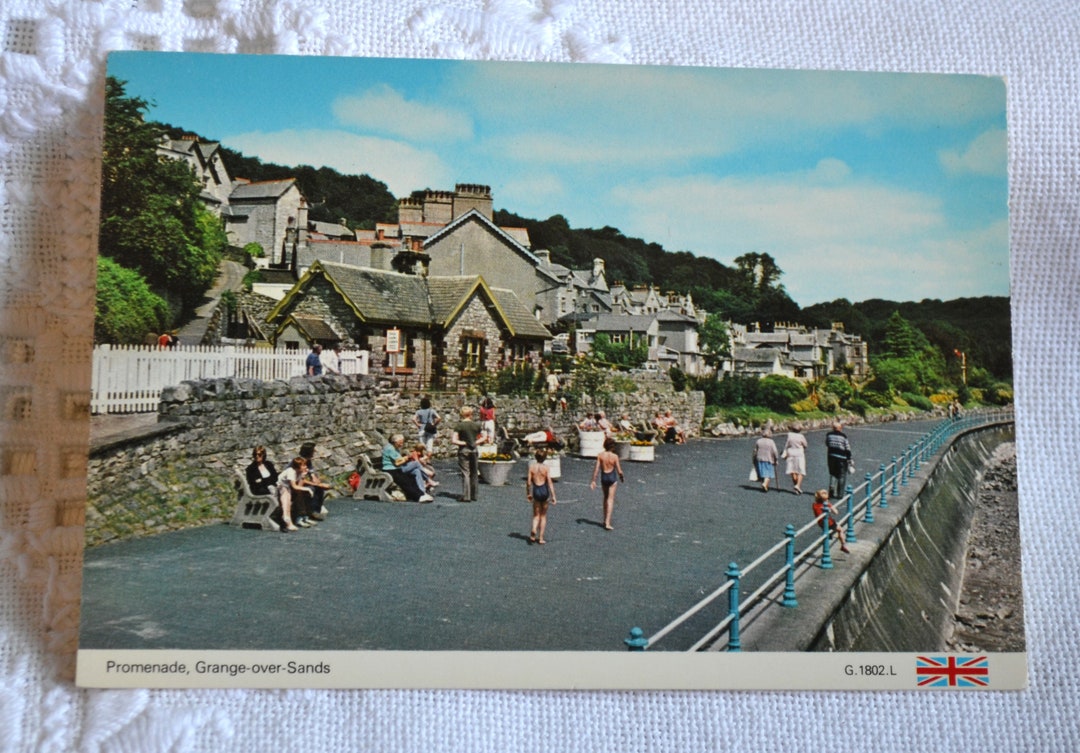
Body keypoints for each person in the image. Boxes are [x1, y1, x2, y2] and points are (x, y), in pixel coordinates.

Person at [381, 434, 433, 503]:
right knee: (405, 481)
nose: (402, 444)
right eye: (400, 442)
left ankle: (422, 492)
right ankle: (418, 495)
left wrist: (406, 458)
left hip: (396, 468)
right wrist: (407, 457)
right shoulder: (390, 449)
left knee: (416, 471)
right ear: (395, 442)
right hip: (391, 469)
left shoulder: (394, 448)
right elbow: (398, 462)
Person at [590, 437, 625, 530]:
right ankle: (607, 522)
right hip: (612, 477)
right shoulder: (615, 457)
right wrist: (622, 477)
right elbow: (619, 470)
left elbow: (596, 469)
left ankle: (605, 518)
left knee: (605, 498)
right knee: (610, 499)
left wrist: (593, 480)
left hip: (604, 477)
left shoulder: (600, 455)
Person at [451, 406, 485, 502]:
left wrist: (464, 443)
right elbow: (484, 437)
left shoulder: (459, 426)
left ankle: (466, 496)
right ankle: (474, 495)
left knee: (465, 473)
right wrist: (475, 442)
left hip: (464, 450)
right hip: (474, 450)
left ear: (461, 414)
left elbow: (454, 440)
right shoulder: (476, 425)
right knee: (474, 473)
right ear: (471, 414)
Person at [526, 449, 557, 544]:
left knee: (536, 515)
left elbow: (528, 482)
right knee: (543, 515)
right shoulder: (546, 468)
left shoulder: (532, 467)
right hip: (544, 490)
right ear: (544, 458)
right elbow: (550, 482)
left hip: (536, 490)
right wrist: (553, 496)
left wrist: (528, 493)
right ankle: (541, 537)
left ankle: (534, 529)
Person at [276, 457, 313, 531]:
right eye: (303, 465)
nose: (306, 467)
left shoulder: (299, 472)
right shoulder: (291, 471)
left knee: (299, 494)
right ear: (298, 466)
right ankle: (287, 521)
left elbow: (299, 486)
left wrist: (303, 476)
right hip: (280, 486)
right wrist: (308, 489)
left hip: (289, 487)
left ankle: (302, 515)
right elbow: (294, 486)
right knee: (287, 497)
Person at [299, 442, 332, 520]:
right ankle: (312, 511)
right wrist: (318, 485)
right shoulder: (299, 462)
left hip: (303, 480)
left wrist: (316, 479)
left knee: (319, 488)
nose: (315, 452)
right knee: (313, 488)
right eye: (313, 450)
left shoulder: (308, 461)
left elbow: (311, 471)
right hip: (296, 482)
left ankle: (317, 509)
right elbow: (300, 479)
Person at [812, 489, 850, 553]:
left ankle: (829, 536)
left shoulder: (814, 505)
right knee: (840, 530)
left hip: (820, 523)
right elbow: (836, 512)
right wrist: (830, 505)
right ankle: (843, 545)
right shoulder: (827, 504)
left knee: (827, 532)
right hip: (829, 522)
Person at [825, 421, 853, 500]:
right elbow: (847, 448)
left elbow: (827, 443)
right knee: (841, 475)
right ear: (840, 428)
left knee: (833, 473)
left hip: (831, 456)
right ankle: (840, 494)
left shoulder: (829, 435)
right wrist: (849, 458)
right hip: (841, 458)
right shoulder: (843, 436)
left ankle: (831, 489)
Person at [782, 424, 809, 495]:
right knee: (800, 470)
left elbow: (787, 444)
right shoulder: (801, 436)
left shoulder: (789, 435)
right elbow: (805, 445)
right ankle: (798, 485)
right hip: (799, 454)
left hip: (791, 453)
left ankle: (796, 487)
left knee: (792, 470)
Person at [753, 428, 779, 492]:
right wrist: (776, 459)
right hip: (768, 459)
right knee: (768, 474)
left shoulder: (758, 441)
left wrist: (754, 458)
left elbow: (755, 450)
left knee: (762, 472)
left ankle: (765, 485)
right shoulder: (771, 442)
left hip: (759, 458)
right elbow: (775, 451)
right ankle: (765, 484)